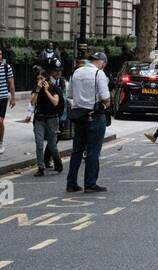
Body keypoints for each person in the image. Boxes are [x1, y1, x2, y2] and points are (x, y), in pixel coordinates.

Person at [66, 52, 111, 193]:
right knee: (93, 151)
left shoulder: (77, 72)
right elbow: (105, 97)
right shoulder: (99, 74)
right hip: (94, 116)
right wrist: (104, 103)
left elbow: (70, 95)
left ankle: (71, 183)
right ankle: (90, 183)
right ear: (102, 62)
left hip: (79, 116)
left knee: (77, 151)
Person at [31, 59, 65, 176]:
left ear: (46, 79)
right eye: (38, 79)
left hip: (52, 119)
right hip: (39, 119)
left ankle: (58, 162)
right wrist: (37, 89)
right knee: (39, 144)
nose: (40, 81)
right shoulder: (36, 89)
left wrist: (46, 91)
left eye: (42, 79)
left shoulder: (53, 88)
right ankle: (40, 168)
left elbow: (55, 102)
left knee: (52, 145)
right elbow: (32, 102)